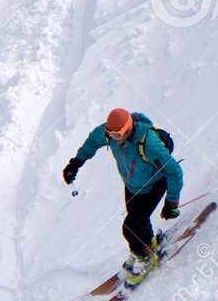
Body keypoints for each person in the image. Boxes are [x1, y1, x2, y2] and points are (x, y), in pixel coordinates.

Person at [62, 108, 183, 287]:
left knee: (130, 226)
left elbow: (175, 172)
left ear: (128, 128)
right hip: (133, 186)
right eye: (110, 134)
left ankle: (145, 258)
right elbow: (93, 141)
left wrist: (171, 203)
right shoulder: (110, 134)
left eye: (117, 134)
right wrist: (75, 163)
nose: (113, 138)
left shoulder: (149, 143)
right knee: (138, 222)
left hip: (154, 185)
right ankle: (146, 246)